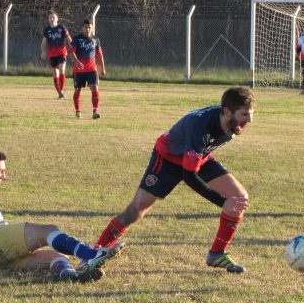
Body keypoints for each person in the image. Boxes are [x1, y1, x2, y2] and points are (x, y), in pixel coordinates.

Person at [94, 87, 255, 274]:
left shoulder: (232, 122)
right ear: (227, 111)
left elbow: (197, 158)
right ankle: (95, 252)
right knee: (136, 211)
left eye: (251, 114)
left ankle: (217, 254)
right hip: (168, 159)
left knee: (239, 197)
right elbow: (189, 177)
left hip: (198, 157)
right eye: (244, 114)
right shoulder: (200, 127)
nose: (249, 120)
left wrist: (228, 200)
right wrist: (221, 201)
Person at [0, 147, 123, 281]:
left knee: (57, 257)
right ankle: (91, 255)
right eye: (0, 171)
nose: (4, 176)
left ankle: (72, 276)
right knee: (47, 231)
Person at [68, 19, 105, 119]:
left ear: (92, 28)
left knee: (95, 88)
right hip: (78, 71)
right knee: (78, 90)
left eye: (89, 27)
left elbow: (100, 55)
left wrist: (102, 68)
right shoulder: (77, 39)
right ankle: (77, 111)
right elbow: (71, 52)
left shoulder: (96, 40)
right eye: (85, 27)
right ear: (82, 28)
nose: (87, 29)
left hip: (92, 70)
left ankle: (95, 111)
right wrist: (77, 62)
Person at [41, 11, 71, 99]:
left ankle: (61, 90)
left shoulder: (61, 28)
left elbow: (69, 39)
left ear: (57, 19)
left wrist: (74, 48)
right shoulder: (47, 30)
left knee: (62, 69)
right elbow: (44, 42)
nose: (52, 19)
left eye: (53, 17)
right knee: (55, 74)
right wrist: (43, 51)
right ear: (48, 19)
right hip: (52, 54)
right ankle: (59, 92)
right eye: (50, 17)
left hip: (62, 53)